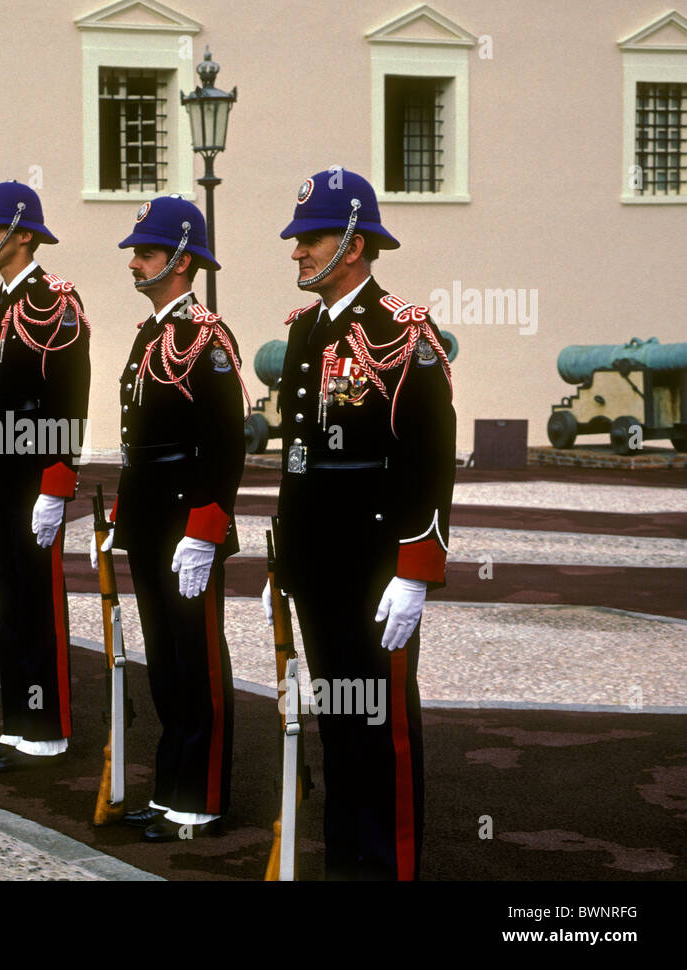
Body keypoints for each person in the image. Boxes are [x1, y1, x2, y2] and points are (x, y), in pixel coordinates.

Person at [265, 168, 455, 879]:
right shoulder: (307, 331)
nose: (297, 252)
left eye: (310, 239)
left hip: (378, 570)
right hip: (319, 569)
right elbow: (298, 457)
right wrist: (287, 560)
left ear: (353, 242)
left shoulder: (402, 332)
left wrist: (416, 569)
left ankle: (389, 869)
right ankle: (348, 864)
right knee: (339, 726)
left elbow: (432, 456)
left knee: (382, 732)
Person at [104, 196, 246, 842]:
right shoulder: (153, 334)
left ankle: (204, 796)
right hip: (150, 520)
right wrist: (124, 516)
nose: (135, 262)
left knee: (199, 661)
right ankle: (170, 791)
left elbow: (224, 443)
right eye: (136, 251)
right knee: (164, 661)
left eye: (147, 252)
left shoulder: (206, 337)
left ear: (182, 260)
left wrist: (206, 526)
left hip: (189, 525)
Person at [0, 182, 90, 772]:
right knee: (8, 599)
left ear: (24, 234)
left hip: (36, 474)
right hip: (5, 472)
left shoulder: (56, 300)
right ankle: (18, 724)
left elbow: (67, 395)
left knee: (37, 602)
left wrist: (57, 483)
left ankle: (47, 728)